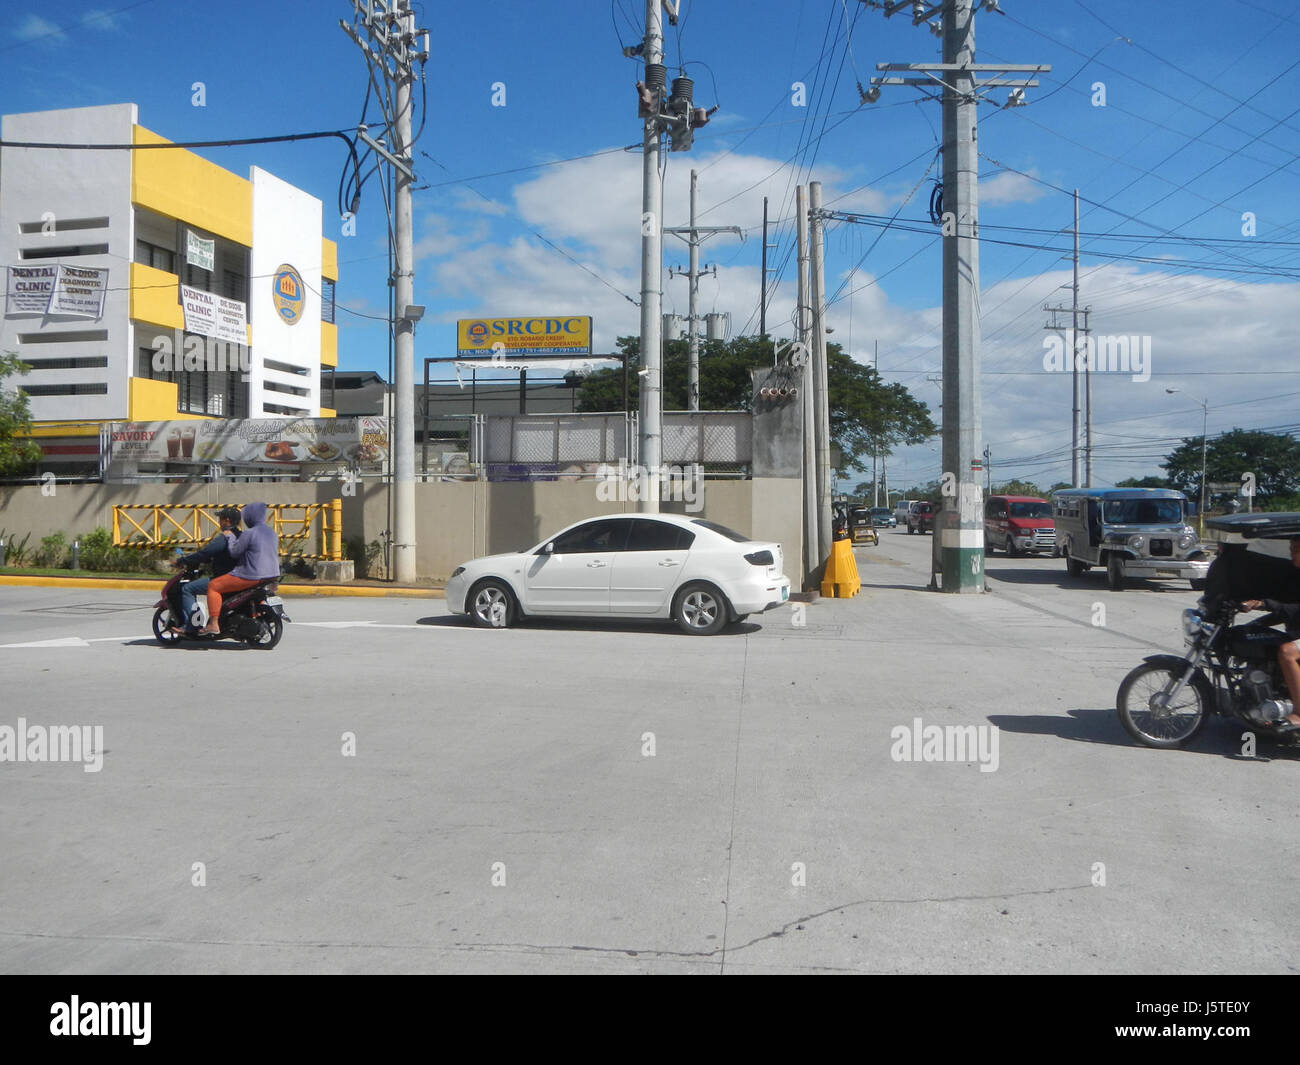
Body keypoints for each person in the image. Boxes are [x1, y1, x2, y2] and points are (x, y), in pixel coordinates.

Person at [1241, 535, 1300, 732]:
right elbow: (1285, 609)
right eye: (1291, 548)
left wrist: (1264, 604)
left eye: (1297, 549)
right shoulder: (1295, 575)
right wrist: (1256, 622)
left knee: (1287, 652)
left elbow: (1294, 609)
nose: (1292, 553)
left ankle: (1299, 713)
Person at [199, 502, 280, 637]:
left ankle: (213, 623)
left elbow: (234, 552)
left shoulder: (250, 533)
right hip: (272, 575)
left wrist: (229, 536)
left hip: (251, 575)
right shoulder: (271, 532)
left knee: (213, 586)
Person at [169, 507, 241, 636]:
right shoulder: (241, 536)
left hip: (224, 578)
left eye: (220, 519)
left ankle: (191, 627)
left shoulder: (224, 538)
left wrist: (183, 561)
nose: (219, 522)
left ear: (227, 521)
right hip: (241, 578)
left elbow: (205, 554)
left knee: (187, 589)